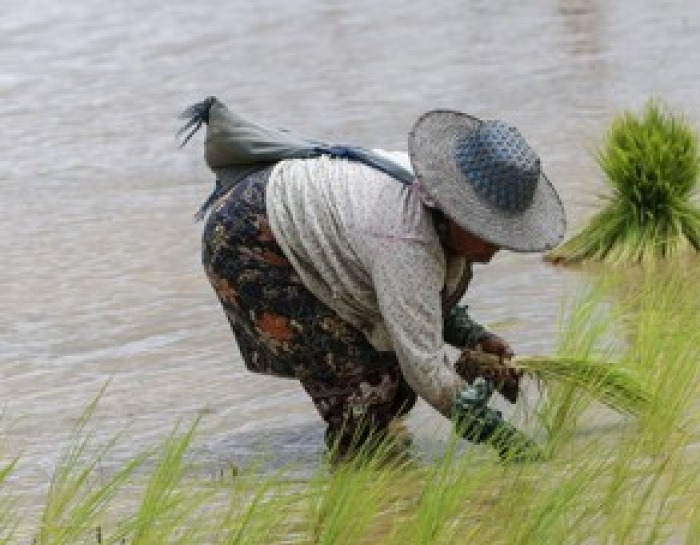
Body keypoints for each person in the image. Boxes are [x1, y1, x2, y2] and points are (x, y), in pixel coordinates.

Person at [198, 109, 566, 464]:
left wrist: (474, 337)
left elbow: (420, 303)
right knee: (363, 393)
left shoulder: (435, 203)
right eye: (488, 231)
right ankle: (355, 459)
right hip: (251, 243)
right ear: (455, 211)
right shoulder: (405, 240)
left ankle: (385, 467)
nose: (496, 246)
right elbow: (423, 366)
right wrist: (504, 440)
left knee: (394, 385)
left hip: (314, 223)